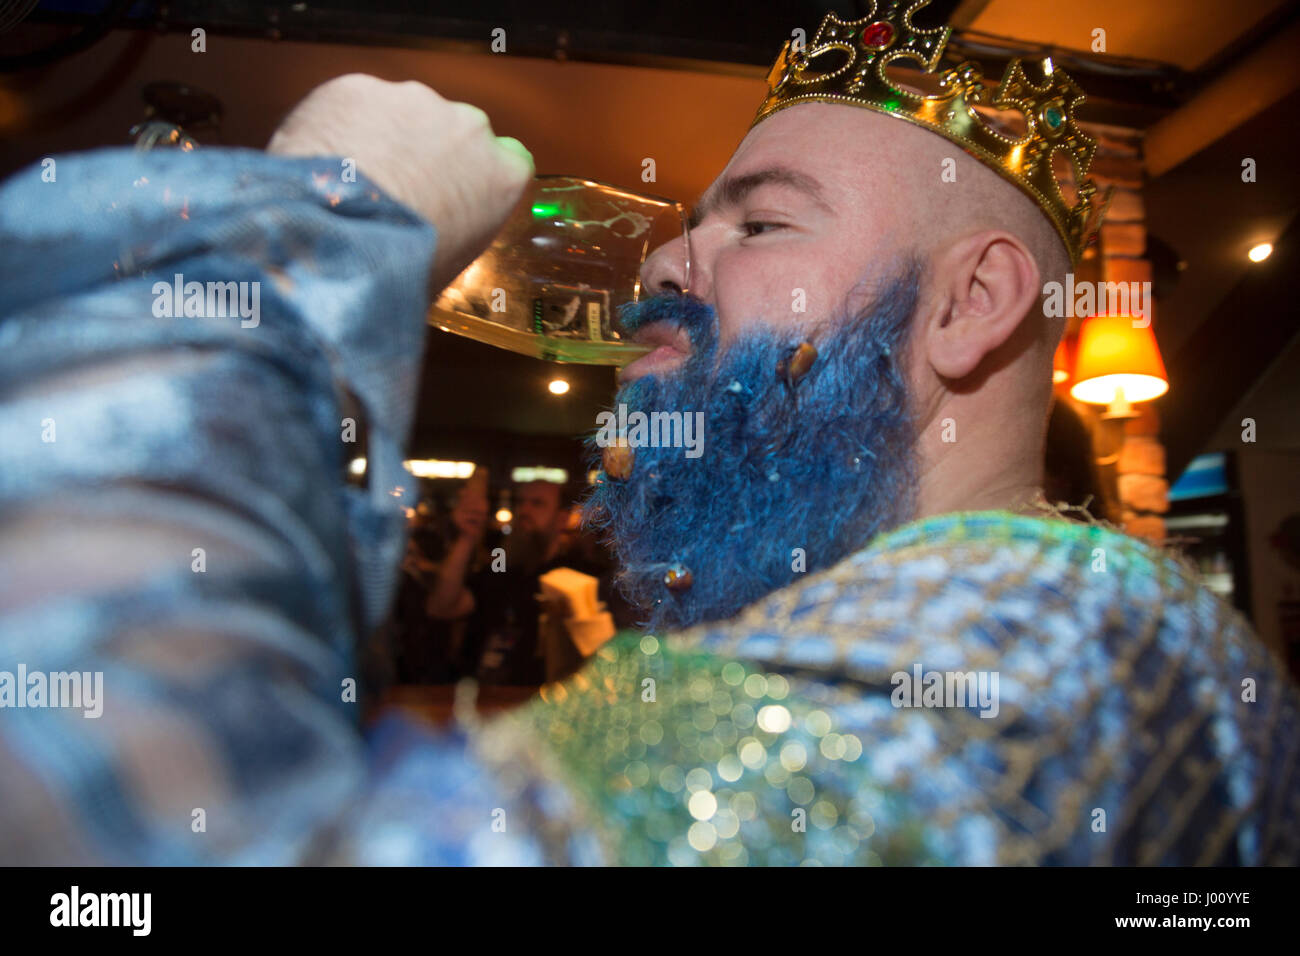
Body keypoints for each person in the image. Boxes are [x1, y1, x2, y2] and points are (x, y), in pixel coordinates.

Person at [1, 6, 1296, 866]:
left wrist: (309, 238)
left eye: (764, 222)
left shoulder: (1072, 631)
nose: (670, 255)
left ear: (972, 305)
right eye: (693, 219)